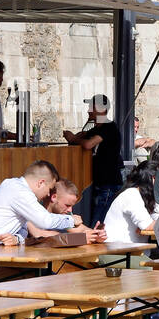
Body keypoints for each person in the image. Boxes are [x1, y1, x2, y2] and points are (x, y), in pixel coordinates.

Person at [0, 160, 85, 249]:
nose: (48, 194)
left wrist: (17, 239)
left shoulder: (15, 187)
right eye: (49, 189)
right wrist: (71, 220)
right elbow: (45, 221)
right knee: (43, 276)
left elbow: (23, 233)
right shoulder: (19, 191)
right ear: (41, 183)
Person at [63, 93, 123, 224]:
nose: (88, 111)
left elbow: (88, 144)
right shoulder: (97, 128)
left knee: (97, 221)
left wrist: (73, 138)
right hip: (100, 183)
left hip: (108, 183)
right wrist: (87, 126)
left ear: (102, 110)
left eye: (92, 107)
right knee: (96, 220)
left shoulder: (109, 127)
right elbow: (81, 137)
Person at [102, 162, 159, 244]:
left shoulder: (148, 197)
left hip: (132, 251)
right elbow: (148, 226)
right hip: (116, 252)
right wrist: (151, 225)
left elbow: (158, 219)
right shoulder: (132, 194)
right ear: (150, 178)